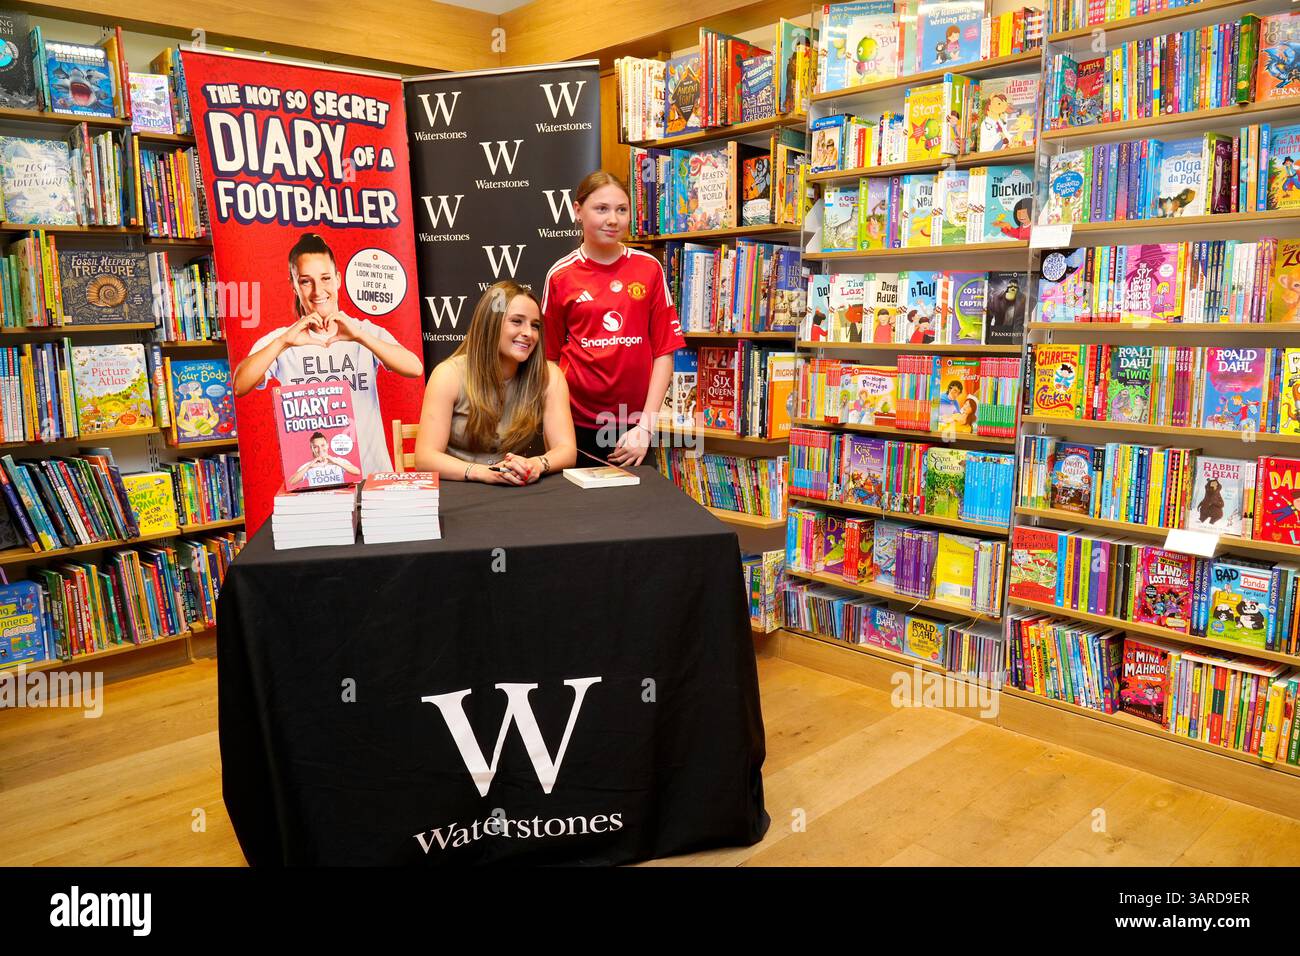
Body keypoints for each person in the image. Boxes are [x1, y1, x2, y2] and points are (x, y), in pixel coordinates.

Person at [234, 232, 423, 475]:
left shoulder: (364, 331)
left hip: (371, 477)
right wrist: (284, 342)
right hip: (315, 482)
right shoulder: (283, 340)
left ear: (338, 279)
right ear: (293, 285)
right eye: (305, 281)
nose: (317, 290)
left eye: (325, 278)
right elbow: (241, 385)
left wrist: (359, 336)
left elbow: (414, 368)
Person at [541, 170, 685, 466]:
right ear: (578, 211)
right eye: (601, 209)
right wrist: (555, 429)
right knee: (581, 512)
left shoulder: (650, 269)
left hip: (635, 431)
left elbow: (664, 352)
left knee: (638, 512)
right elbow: (548, 361)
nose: (613, 219)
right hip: (575, 426)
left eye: (622, 209)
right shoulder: (560, 276)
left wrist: (645, 428)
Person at [414, 280, 577, 485]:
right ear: (491, 323)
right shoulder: (448, 375)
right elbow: (425, 458)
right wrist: (483, 472)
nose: (528, 333)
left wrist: (536, 464)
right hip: (458, 489)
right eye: (517, 321)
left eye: (535, 325)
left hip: (515, 489)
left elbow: (567, 450)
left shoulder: (550, 377)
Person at [290, 431, 362, 488]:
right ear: (312, 449)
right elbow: (291, 482)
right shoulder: (309, 465)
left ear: (327, 445)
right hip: (319, 500)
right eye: (316, 447)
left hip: (339, 498)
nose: (320, 449)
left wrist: (336, 462)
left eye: (322, 445)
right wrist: (309, 467)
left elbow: (357, 472)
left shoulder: (338, 460)